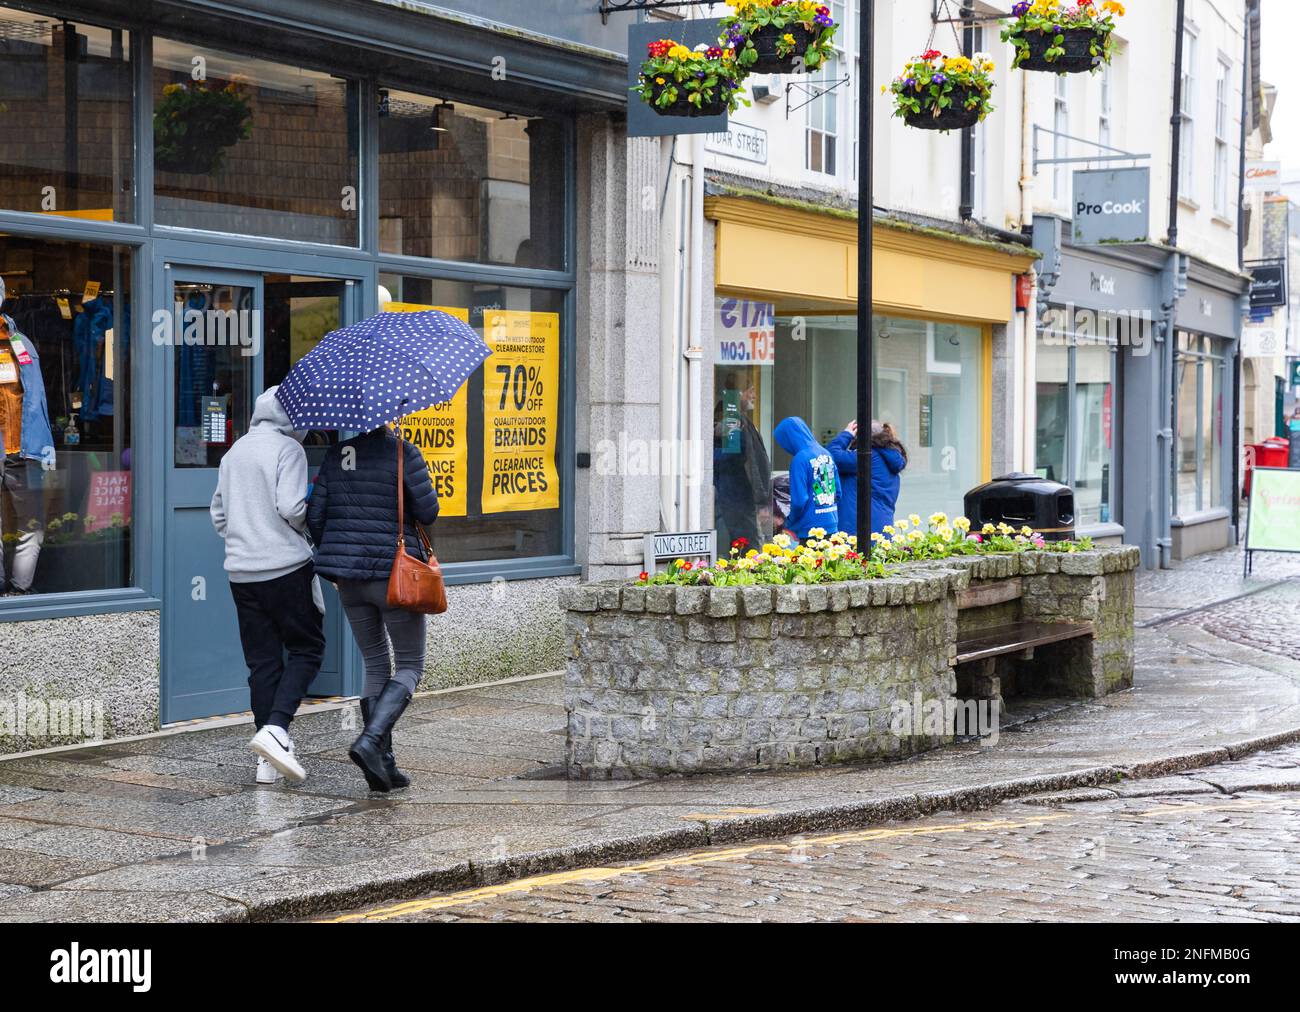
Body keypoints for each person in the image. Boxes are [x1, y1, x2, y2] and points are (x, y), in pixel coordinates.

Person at [308, 424, 438, 792]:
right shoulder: (403, 453)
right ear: (388, 416)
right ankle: (370, 739)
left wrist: (336, 560)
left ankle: (382, 766)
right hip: (394, 576)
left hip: (348, 578)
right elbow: (428, 512)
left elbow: (316, 516)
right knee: (411, 665)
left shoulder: (337, 455)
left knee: (376, 663)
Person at [210, 386, 323, 785]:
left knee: (262, 662)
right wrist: (309, 518)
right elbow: (292, 508)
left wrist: (246, 535)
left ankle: (267, 757)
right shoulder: (288, 450)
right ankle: (276, 728)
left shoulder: (235, 451)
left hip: (242, 573)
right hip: (286, 568)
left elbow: (219, 516)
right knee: (308, 649)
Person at [714, 377, 772, 548]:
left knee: (746, 544)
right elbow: (734, 456)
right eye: (750, 391)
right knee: (747, 546)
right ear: (738, 394)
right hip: (735, 496)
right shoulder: (732, 421)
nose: (754, 395)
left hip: (741, 496)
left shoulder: (742, 421)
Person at [773, 416, 840, 539]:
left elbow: (799, 501)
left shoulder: (800, 459)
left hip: (809, 529)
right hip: (832, 524)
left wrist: (789, 521)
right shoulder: (826, 453)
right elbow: (838, 492)